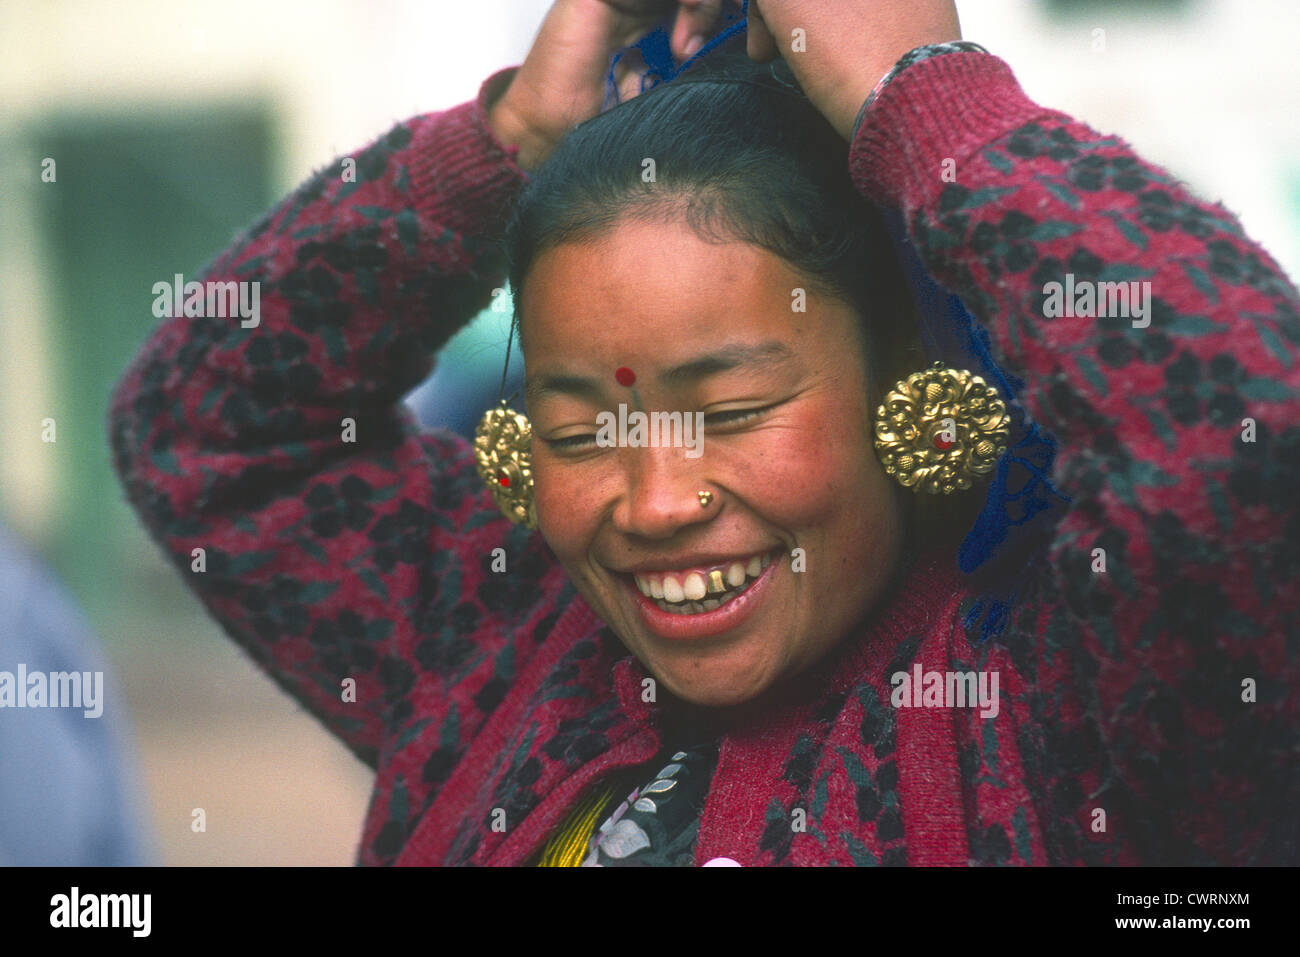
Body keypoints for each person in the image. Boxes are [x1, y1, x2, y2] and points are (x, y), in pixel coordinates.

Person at [108, 0, 1298, 866]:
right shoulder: (490, 637)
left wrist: (928, 101)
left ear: (905, 386)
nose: (657, 502)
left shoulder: (1074, 703)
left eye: (729, 413)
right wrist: (510, 143)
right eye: (577, 431)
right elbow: (204, 427)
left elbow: (1244, 427)